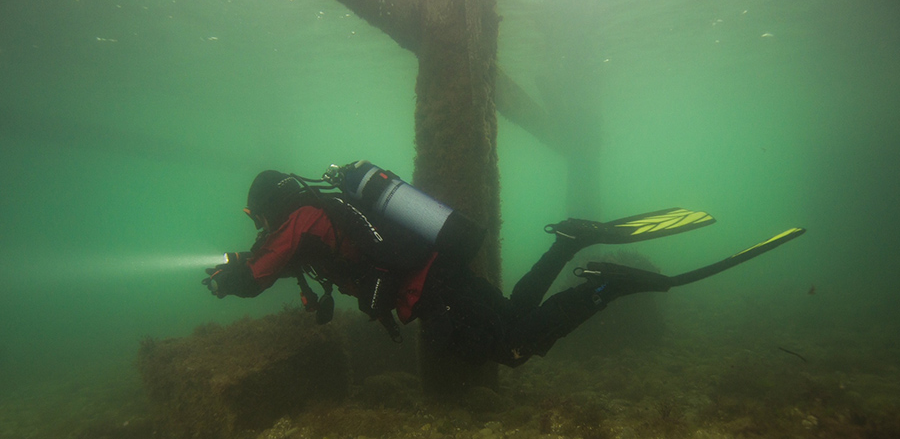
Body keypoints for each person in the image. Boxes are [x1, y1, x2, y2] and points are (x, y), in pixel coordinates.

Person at [202, 162, 805, 367]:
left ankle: (606, 289)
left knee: (515, 345)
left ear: (271, 205)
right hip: (433, 272)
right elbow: (277, 262)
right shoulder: (313, 218)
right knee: (515, 315)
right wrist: (243, 264)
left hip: (423, 288)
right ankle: (567, 244)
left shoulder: (301, 218)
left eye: (256, 215)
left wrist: (234, 276)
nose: (257, 226)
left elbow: (261, 270)